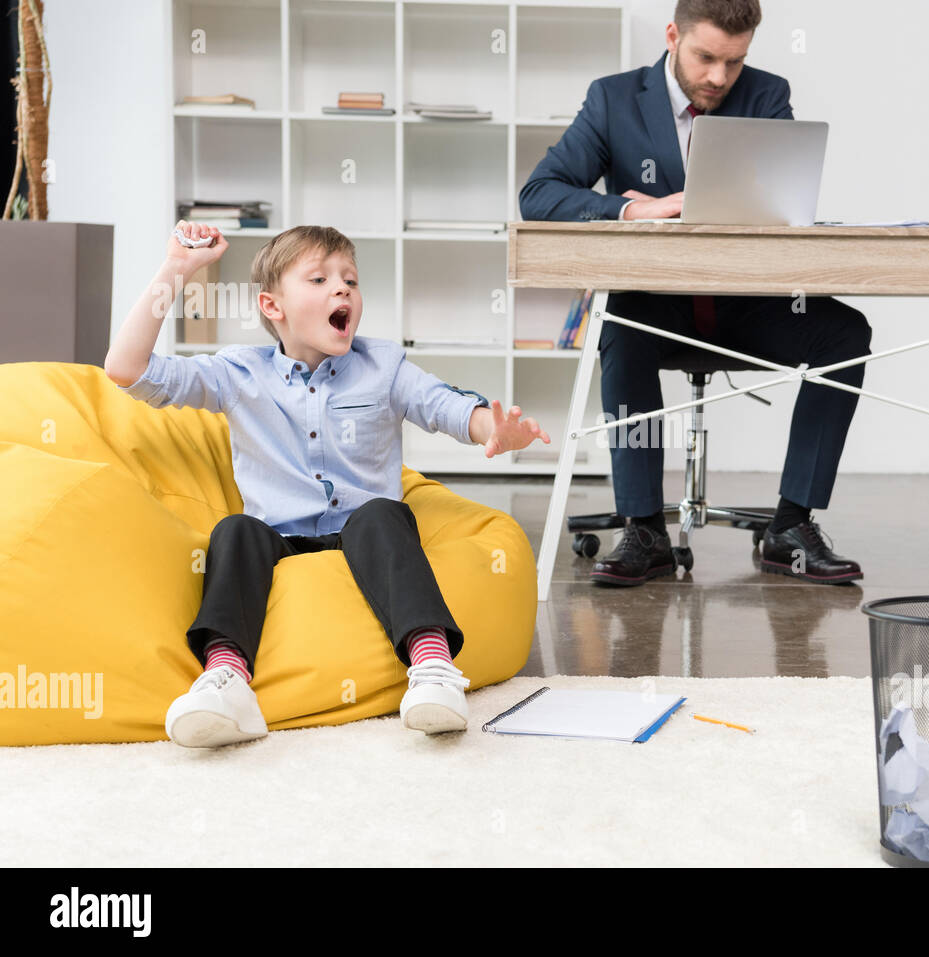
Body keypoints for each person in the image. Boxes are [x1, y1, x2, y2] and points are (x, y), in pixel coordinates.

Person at [104, 222, 550, 748]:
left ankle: (432, 668)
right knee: (235, 530)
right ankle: (226, 680)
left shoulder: (383, 365)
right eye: (319, 280)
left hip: (366, 534)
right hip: (280, 540)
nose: (342, 289)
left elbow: (444, 405)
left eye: (350, 281)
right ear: (274, 307)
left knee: (385, 514)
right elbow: (126, 369)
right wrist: (177, 269)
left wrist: (490, 428)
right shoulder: (239, 372)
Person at [519, 0, 869, 588]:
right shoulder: (612, 99)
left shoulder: (767, 96)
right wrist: (635, 209)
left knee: (844, 333)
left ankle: (790, 526)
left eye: (734, 62)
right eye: (706, 57)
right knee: (623, 327)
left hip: (744, 302)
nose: (717, 77)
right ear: (672, 35)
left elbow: (780, 201)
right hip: (655, 305)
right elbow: (539, 194)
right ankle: (645, 529)